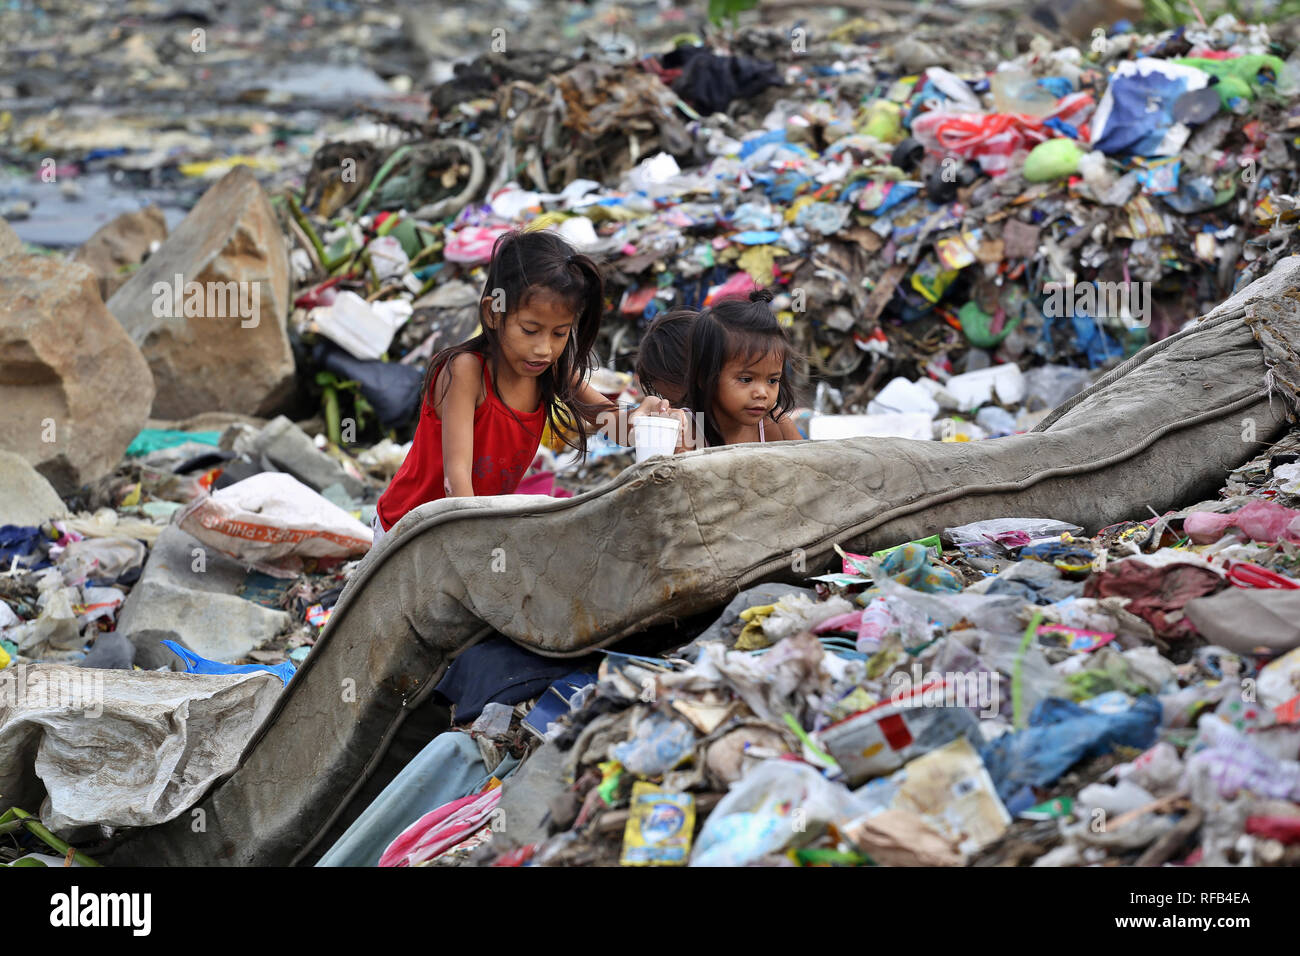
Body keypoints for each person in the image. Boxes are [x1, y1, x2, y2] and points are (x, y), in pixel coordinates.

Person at [373, 229, 675, 547]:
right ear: (493, 313)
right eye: (530, 330)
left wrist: (644, 417)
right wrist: (476, 549)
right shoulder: (466, 371)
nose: (544, 349)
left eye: (559, 333)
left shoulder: (552, 371)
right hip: (407, 531)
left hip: (469, 526)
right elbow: (455, 479)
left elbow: (616, 427)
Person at [679, 288, 803, 449]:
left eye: (772, 380)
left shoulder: (777, 426)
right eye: (746, 379)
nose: (762, 393)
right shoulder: (687, 430)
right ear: (704, 377)